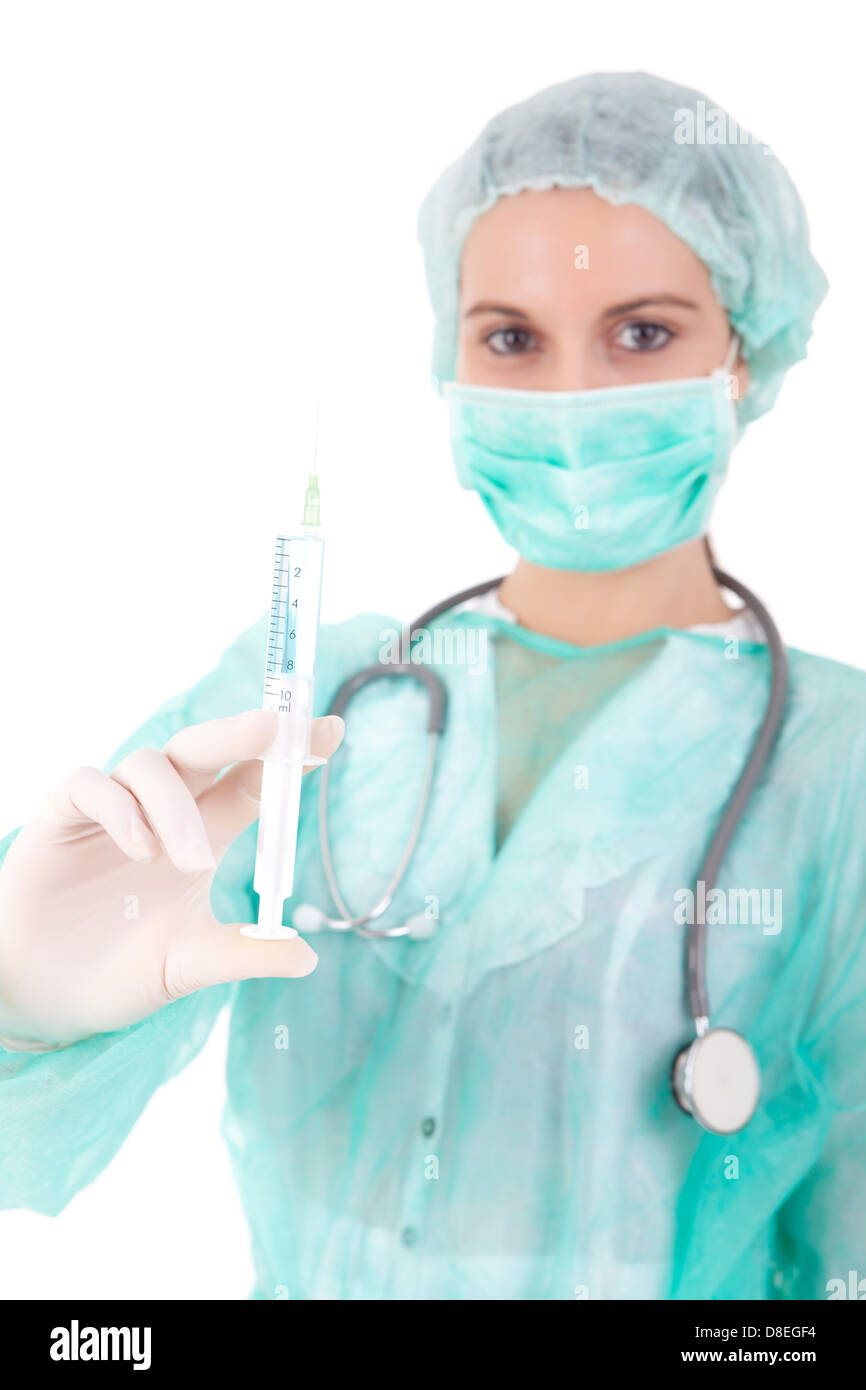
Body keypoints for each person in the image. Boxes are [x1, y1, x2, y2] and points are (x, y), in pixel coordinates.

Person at [0, 71, 861, 1302]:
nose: (569, 398)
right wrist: (20, 1007)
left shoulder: (842, 767)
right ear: (447, 363)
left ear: (745, 353)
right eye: (510, 337)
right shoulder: (310, 695)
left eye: (642, 332)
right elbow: (15, 1146)